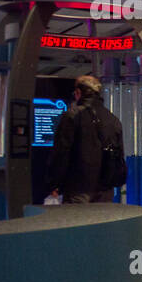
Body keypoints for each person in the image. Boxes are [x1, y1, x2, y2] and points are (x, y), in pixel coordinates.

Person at [46, 74, 125, 204]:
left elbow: (61, 153)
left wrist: (54, 183)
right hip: (105, 188)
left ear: (78, 93)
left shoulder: (72, 116)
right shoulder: (113, 119)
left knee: (79, 222)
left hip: (77, 188)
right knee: (102, 223)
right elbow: (119, 155)